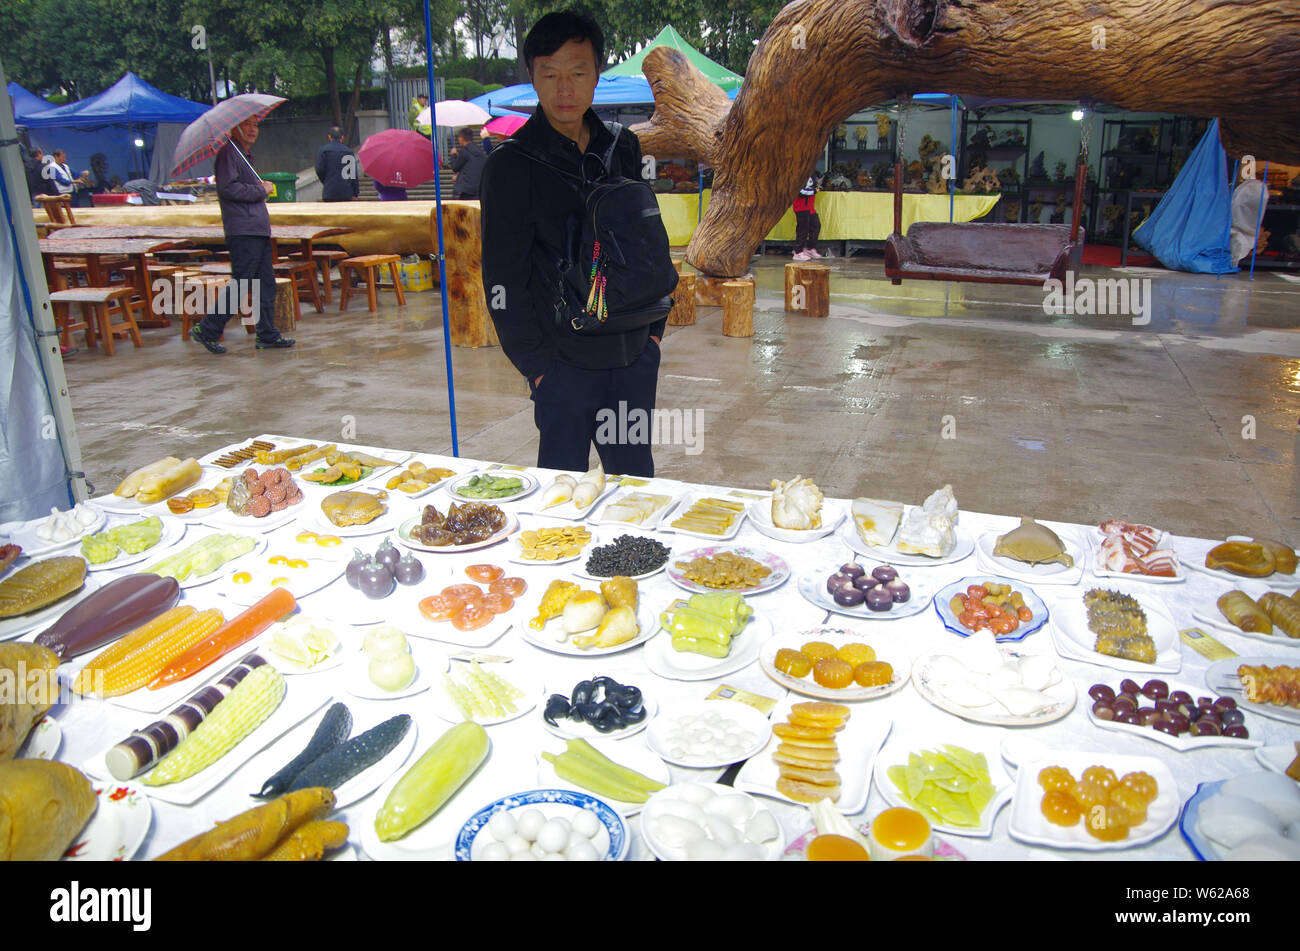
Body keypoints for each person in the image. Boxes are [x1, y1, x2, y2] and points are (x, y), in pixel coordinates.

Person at [480, 9, 666, 477]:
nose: (565, 89)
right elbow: (503, 277)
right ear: (532, 77)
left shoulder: (623, 147)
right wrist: (539, 369)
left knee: (635, 492)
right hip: (564, 367)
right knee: (560, 497)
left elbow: (648, 243)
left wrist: (654, 335)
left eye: (578, 73)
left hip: (632, 356)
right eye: (551, 73)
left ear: (596, 75)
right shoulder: (511, 164)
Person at [189, 116, 294, 354]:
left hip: (257, 229)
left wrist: (260, 187)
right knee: (242, 283)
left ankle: (267, 334)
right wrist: (261, 189)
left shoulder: (244, 156)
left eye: (255, 125)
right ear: (234, 128)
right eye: (246, 125)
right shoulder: (228, 154)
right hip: (243, 230)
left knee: (265, 284)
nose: (252, 130)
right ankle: (207, 329)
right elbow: (228, 188)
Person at [315, 126, 359, 202]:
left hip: (329, 191)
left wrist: (326, 181)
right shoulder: (348, 152)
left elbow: (319, 169)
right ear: (342, 137)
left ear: (329, 137)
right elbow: (353, 174)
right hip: (346, 191)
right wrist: (355, 192)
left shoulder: (323, 151)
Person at [446, 127, 487, 199]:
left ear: (462, 138)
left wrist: (453, 155)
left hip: (465, 189)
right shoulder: (480, 151)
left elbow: (455, 167)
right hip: (478, 188)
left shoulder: (464, 151)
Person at [792, 172, 823, 260]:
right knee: (802, 229)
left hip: (810, 207)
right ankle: (798, 252)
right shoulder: (798, 175)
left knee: (816, 226)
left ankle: (810, 248)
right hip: (801, 207)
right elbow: (799, 191)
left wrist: (818, 185)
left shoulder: (812, 173)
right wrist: (814, 191)